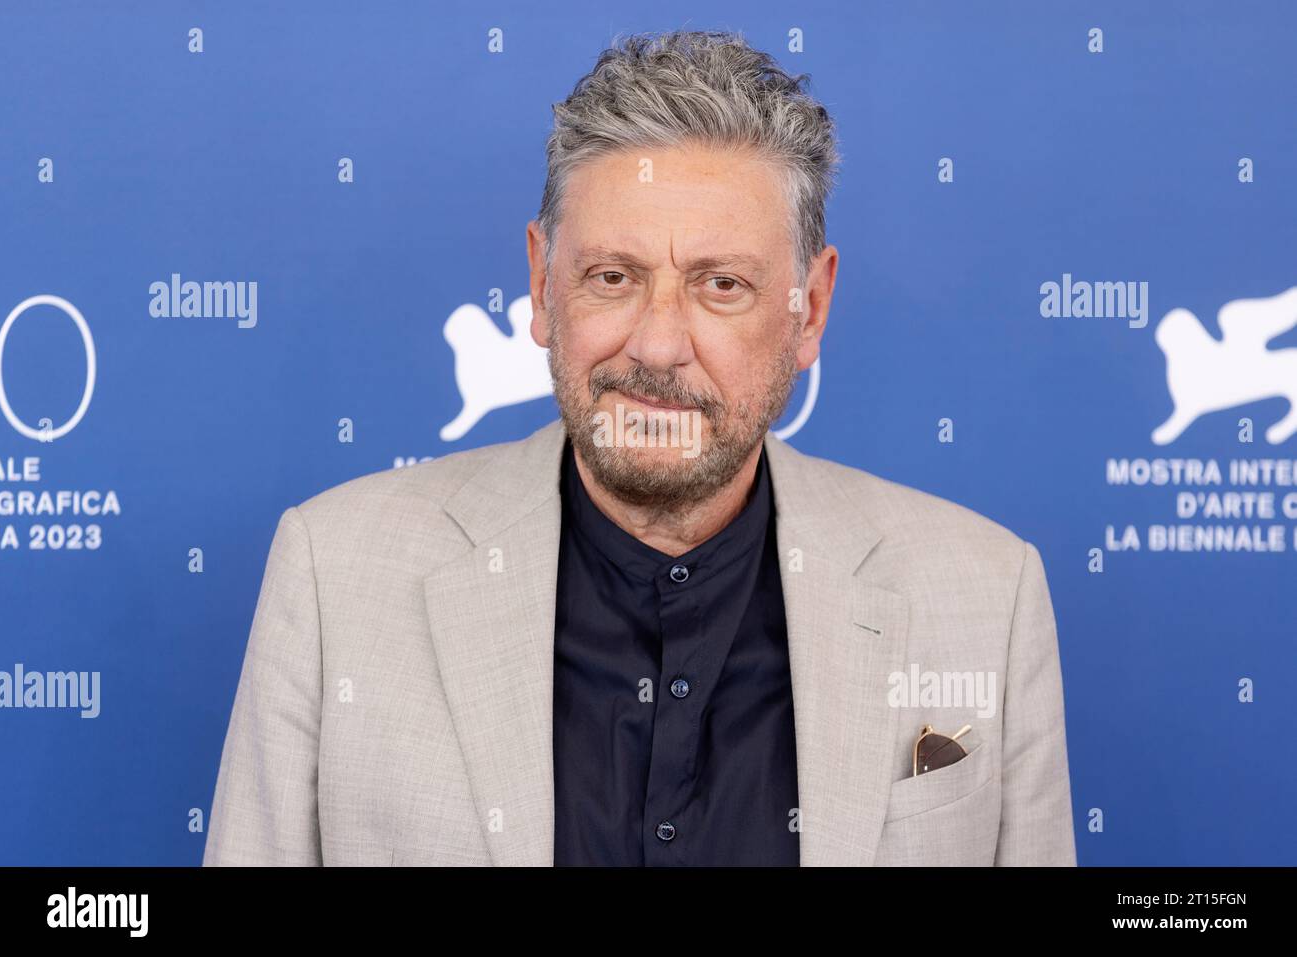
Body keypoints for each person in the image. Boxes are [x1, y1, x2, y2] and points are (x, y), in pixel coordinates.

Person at [203, 29, 1076, 866]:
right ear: (543, 286)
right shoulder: (332, 577)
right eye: (613, 277)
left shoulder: (987, 598)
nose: (658, 346)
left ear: (809, 305)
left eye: (721, 284)